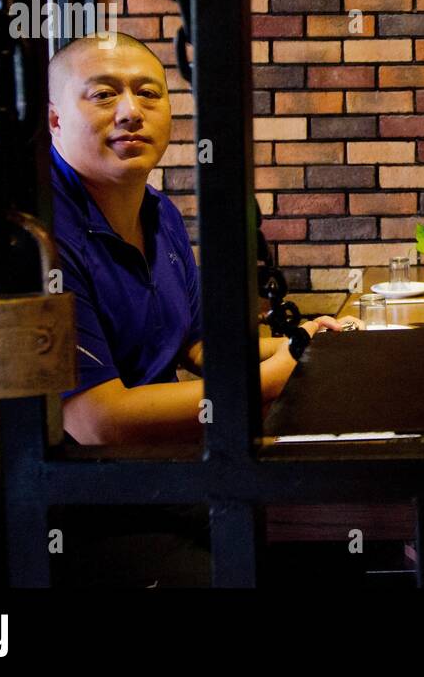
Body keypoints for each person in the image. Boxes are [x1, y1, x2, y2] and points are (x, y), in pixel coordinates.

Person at [45, 31, 343, 586]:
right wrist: (268, 380)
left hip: (160, 474)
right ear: (55, 119)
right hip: (73, 505)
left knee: (335, 540)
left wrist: (297, 342)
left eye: (149, 94)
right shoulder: (44, 238)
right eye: (104, 95)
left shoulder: (159, 213)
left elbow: (196, 343)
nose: (131, 112)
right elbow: (96, 421)